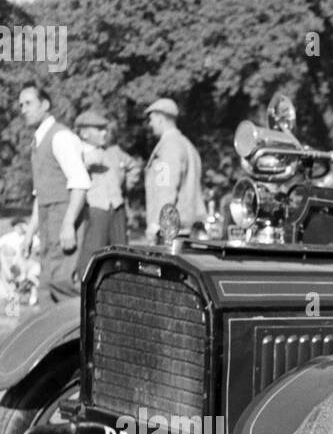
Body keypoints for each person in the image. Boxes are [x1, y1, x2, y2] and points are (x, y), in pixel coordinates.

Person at [17, 82, 90, 302]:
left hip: (64, 217)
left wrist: (68, 224)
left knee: (62, 282)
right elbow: (41, 195)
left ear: (45, 104)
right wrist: (30, 233)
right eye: (21, 105)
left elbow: (80, 183)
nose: (23, 110)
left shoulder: (60, 137)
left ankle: (93, 321)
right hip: (48, 219)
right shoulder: (37, 142)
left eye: (29, 103)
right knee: (48, 283)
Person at [75, 107, 141, 280]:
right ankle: (87, 287)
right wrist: (86, 163)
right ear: (84, 133)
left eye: (104, 128)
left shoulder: (112, 152)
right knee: (94, 251)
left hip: (116, 206)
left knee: (121, 251)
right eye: (98, 129)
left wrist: (125, 184)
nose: (104, 133)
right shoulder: (77, 152)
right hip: (95, 208)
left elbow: (133, 166)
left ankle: (121, 284)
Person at [144, 96, 205, 239]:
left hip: (171, 231)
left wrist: (157, 223)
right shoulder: (187, 144)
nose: (150, 124)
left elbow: (166, 186)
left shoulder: (169, 146)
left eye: (151, 119)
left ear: (160, 118)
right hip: (188, 227)